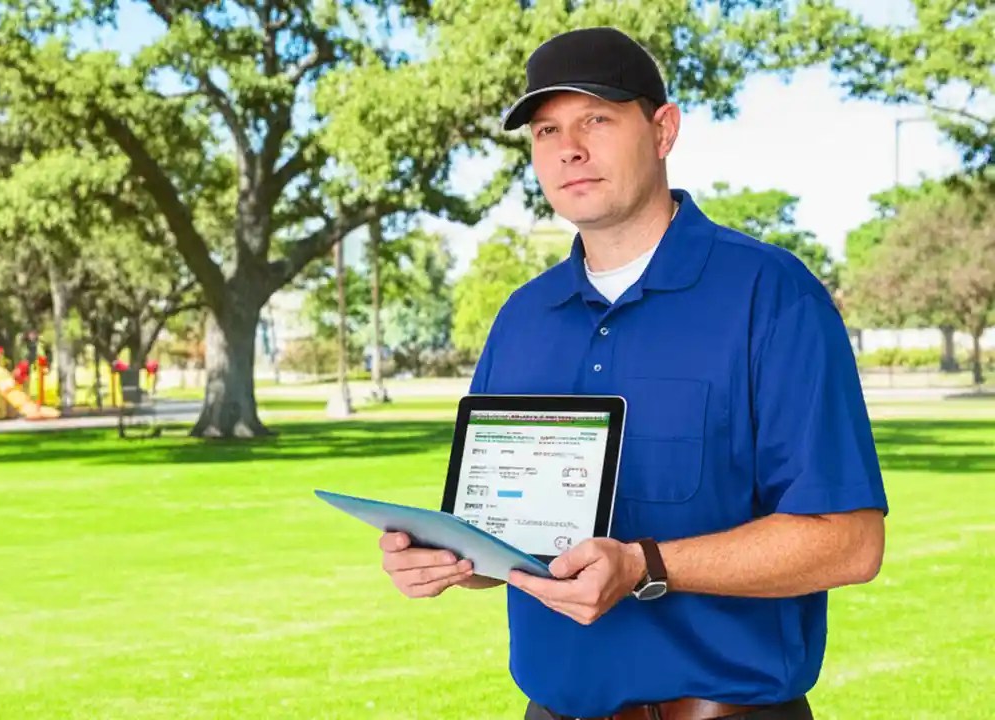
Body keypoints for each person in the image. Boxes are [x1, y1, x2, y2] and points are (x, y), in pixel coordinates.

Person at [377, 26, 887, 720]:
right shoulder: (521, 319)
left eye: (597, 119)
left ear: (663, 129)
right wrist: (450, 560)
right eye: (547, 130)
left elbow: (850, 542)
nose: (570, 149)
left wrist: (646, 563)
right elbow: (512, 541)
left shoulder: (772, 296)